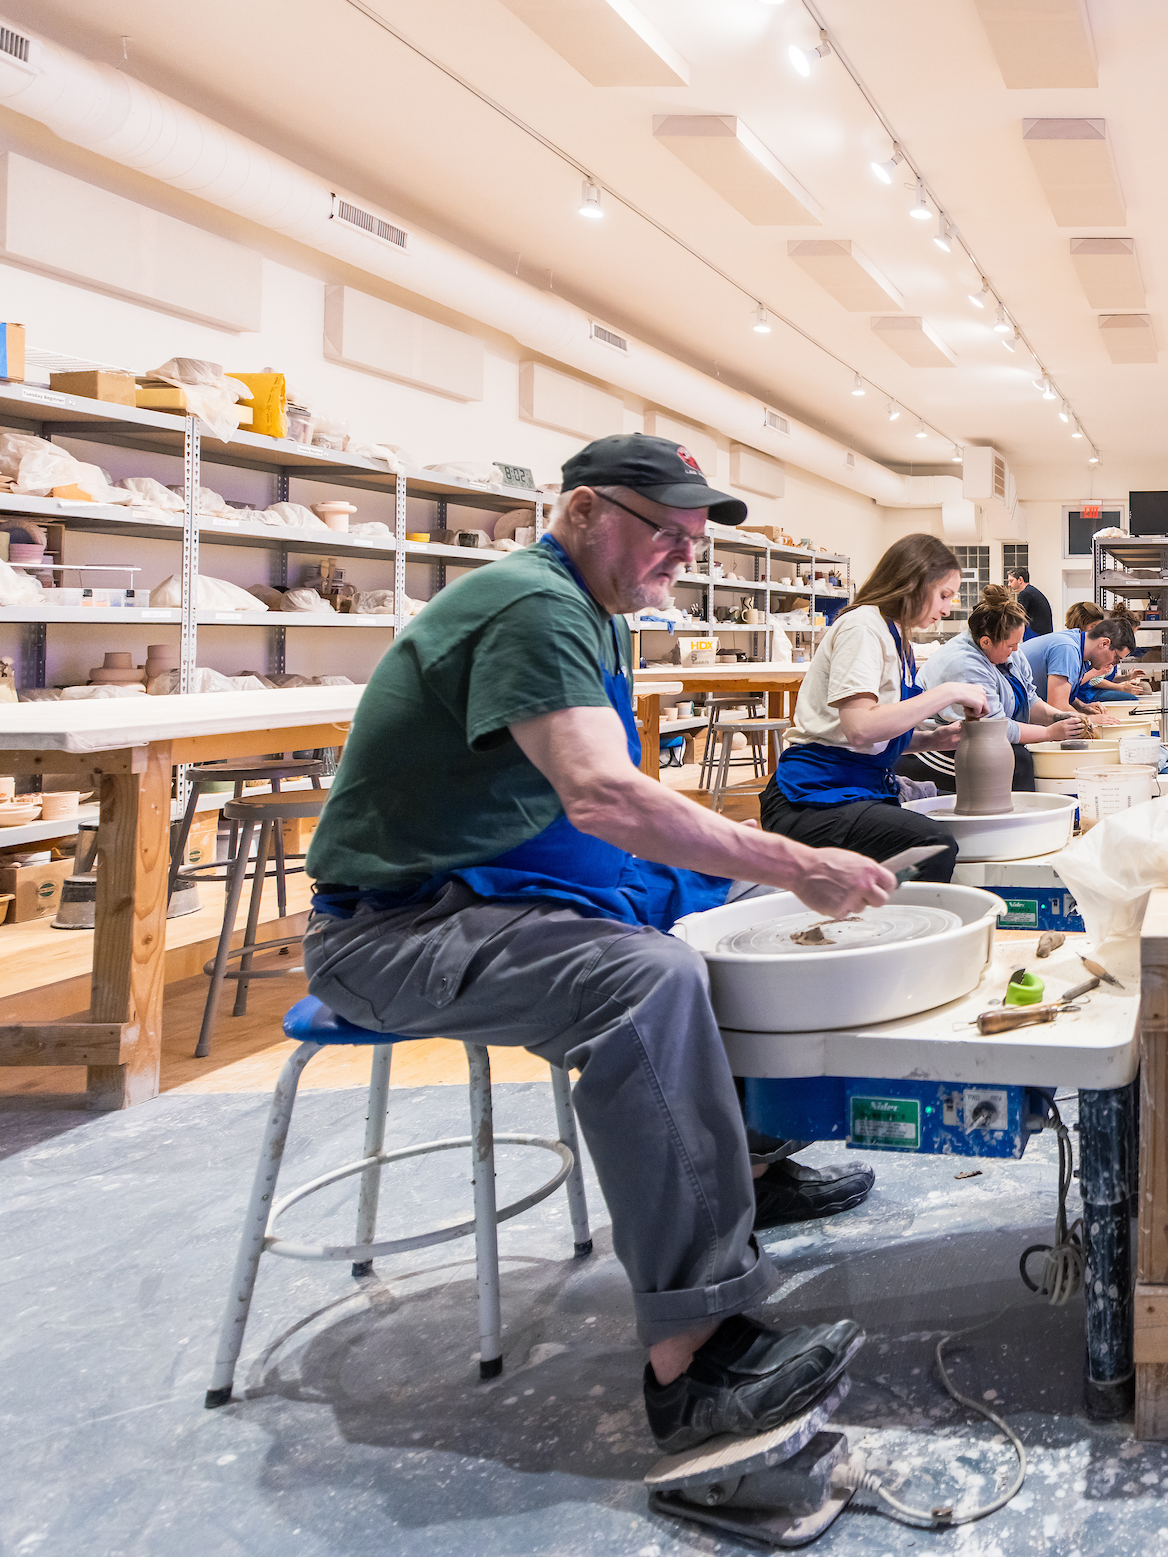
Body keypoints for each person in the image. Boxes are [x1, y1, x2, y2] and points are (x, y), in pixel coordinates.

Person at [303, 434, 881, 1456]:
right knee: (646, 979)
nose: (680, 557)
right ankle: (695, 1359)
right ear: (580, 510)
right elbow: (603, 794)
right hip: (397, 927)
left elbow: (603, 807)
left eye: (693, 541)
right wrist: (795, 860)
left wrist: (750, 870)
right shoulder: (535, 604)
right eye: (665, 531)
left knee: (727, 900)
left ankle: (743, 1165)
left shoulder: (595, 610)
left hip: (501, 884)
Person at [761, 533, 989, 885]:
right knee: (934, 843)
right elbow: (859, 728)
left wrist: (934, 739)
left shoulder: (896, 637)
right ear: (914, 583)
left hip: (857, 784)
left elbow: (870, 738)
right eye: (943, 595)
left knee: (958, 822)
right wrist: (948, 692)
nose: (947, 608)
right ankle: (896, 931)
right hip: (811, 798)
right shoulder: (862, 626)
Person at [899, 584, 1086, 793]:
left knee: (1026, 753)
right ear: (986, 641)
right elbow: (995, 728)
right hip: (936, 748)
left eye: (1018, 643)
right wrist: (1050, 732)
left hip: (981, 737)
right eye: (1011, 645)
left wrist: (1059, 717)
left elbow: (1030, 700)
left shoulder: (1008, 649)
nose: (1017, 650)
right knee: (1017, 761)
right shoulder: (964, 664)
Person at [1021, 612, 1140, 715]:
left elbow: (1065, 694)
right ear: (1104, 643)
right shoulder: (1067, 649)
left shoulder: (1078, 646)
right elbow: (1057, 708)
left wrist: (1083, 707)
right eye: (1116, 658)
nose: (1113, 664)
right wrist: (1091, 719)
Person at [1005, 566, 1054, 640]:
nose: (1009, 584)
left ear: (1020, 580)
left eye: (1011, 581)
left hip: (1036, 634)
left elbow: (1019, 616)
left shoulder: (1025, 593)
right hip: (1044, 634)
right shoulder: (1032, 591)